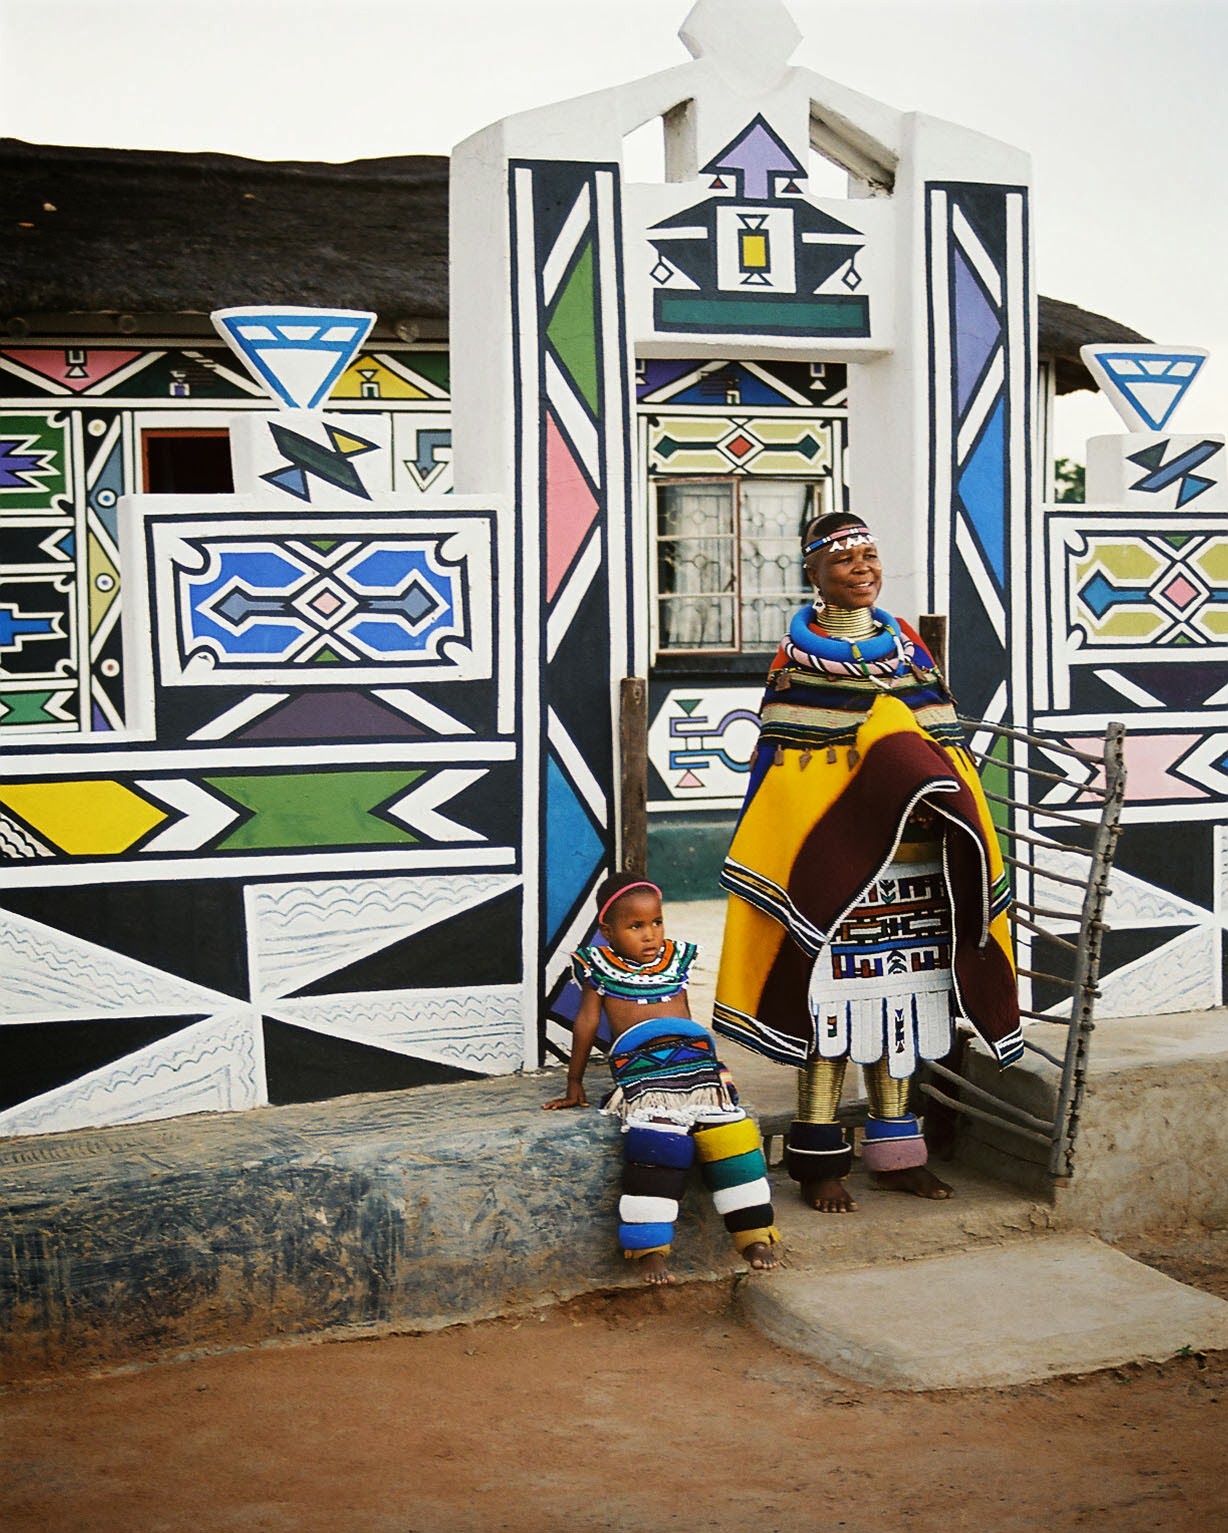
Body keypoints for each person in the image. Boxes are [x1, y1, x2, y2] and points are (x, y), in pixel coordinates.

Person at [713, 511, 1021, 1214]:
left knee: (903, 1012)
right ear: (814, 573)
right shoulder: (796, 661)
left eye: (871, 557)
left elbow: (943, 739)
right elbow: (784, 768)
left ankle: (897, 1153)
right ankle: (819, 1162)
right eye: (846, 560)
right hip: (838, 876)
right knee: (832, 1014)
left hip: (916, 863)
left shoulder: (910, 651)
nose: (863, 569)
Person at [544, 874, 781, 1284]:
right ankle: (649, 1248)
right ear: (607, 931)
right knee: (659, 1142)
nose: (649, 934)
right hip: (642, 1073)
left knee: (732, 1136)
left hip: (697, 1067)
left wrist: (713, 1069)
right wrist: (574, 1082)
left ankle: (754, 1236)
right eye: (635, 926)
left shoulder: (677, 957)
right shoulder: (597, 966)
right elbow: (586, 1023)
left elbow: (685, 1015)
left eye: (655, 923)